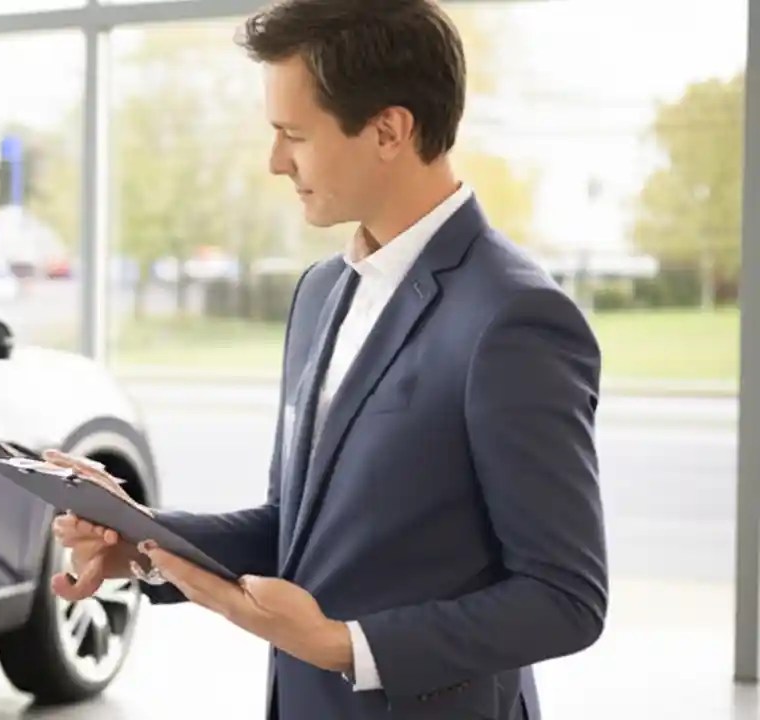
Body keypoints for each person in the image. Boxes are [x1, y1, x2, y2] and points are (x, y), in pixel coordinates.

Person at [45, 0, 607, 717]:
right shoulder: (320, 293)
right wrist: (144, 539)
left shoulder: (514, 317)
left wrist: (345, 646)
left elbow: (565, 599)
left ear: (389, 130)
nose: (276, 161)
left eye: (294, 134)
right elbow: (294, 528)